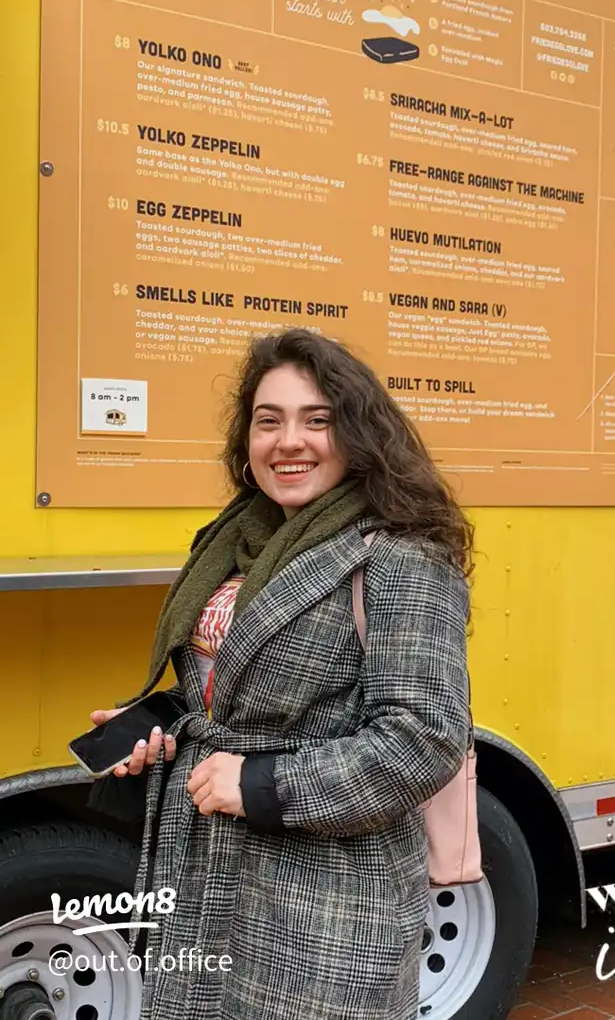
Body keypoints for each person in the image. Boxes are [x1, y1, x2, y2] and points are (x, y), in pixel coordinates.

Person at [89, 327, 473, 1020]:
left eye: (317, 420)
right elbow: (224, 683)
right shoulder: (234, 541)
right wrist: (156, 723)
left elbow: (424, 736)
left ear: (358, 435)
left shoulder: (400, 556)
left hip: (320, 905)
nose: (288, 440)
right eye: (269, 421)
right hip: (203, 872)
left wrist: (263, 784)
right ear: (247, 439)